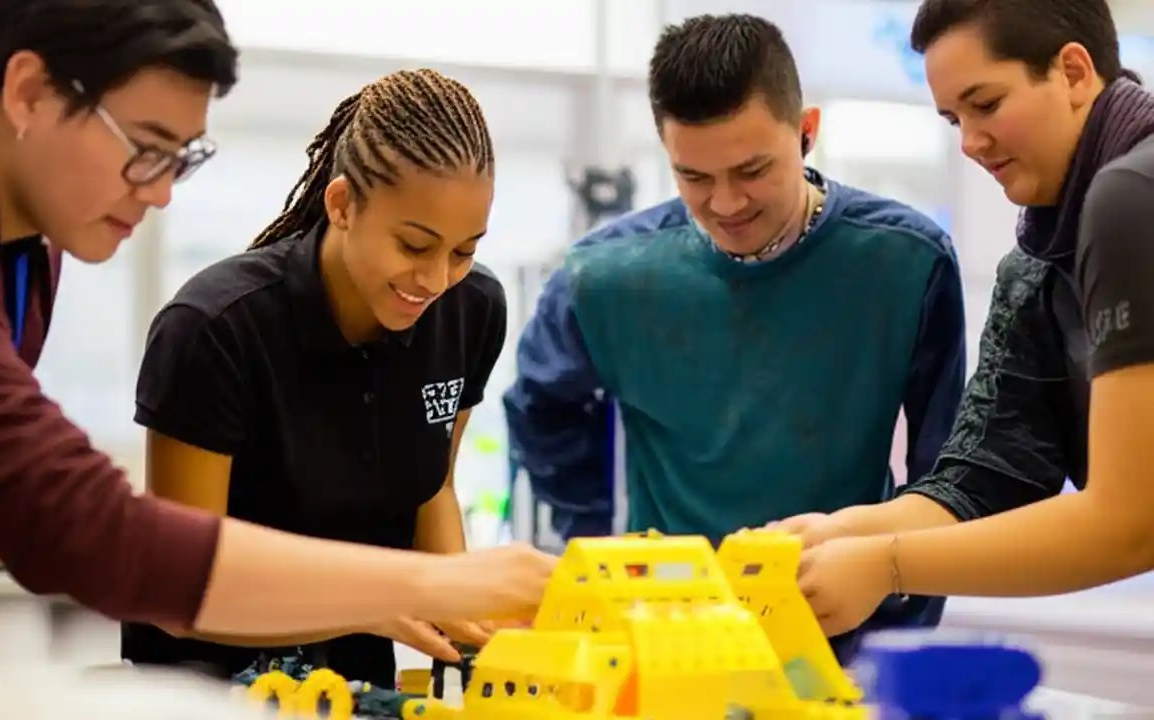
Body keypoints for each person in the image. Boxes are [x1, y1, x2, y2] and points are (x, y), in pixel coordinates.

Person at [0, 0, 554, 641]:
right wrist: (436, 585)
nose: (164, 192)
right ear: (29, 92)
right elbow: (82, 524)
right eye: (146, 147)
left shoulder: (23, 243)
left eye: (183, 158)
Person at [502, 13, 966, 662]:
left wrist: (900, 624)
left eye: (752, 170)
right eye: (693, 177)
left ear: (807, 132)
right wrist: (596, 547)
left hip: (839, 635)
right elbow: (539, 410)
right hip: (662, 639)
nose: (725, 204)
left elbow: (945, 469)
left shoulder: (907, 261)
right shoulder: (602, 278)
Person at [775, 0, 1154, 637]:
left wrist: (886, 564)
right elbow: (989, 478)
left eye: (986, 104)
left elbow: (1131, 521)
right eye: (954, 118)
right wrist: (836, 533)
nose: (971, 143)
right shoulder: (1039, 264)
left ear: (1073, 72)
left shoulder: (1131, 199)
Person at [120, 68, 509, 686]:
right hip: (204, 683)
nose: (435, 281)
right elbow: (177, 592)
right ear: (342, 204)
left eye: (464, 251)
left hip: (355, 674)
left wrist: (471, 626)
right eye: (413, 245)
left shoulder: (472, 310)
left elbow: (431, 489)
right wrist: (375, 601)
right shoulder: (214, 328)